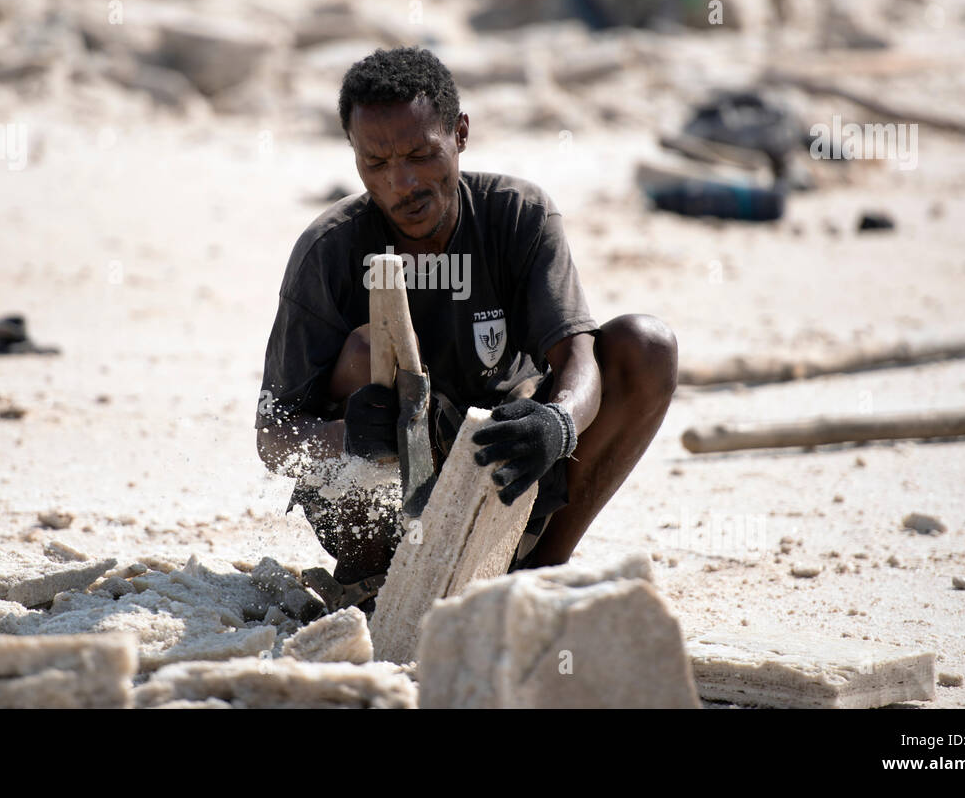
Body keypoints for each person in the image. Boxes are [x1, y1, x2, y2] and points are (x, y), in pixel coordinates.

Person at [255, 46, 677, 608]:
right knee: (365, 350)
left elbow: (578, 355)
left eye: (419, 155)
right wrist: (346, 440)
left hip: (506, 472)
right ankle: (374, 584)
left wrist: (558, 424)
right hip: (381, 507)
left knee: (646, 346)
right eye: (375, 164)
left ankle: (539, 569)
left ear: (460, 133)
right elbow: (272, 434)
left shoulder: (518, 214)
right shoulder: (328, 250)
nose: (401, 183)